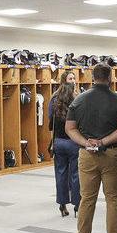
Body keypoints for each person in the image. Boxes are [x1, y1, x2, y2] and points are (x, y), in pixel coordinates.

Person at [65, 64, 117, 233]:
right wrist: (102, 142)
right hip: (113, 155)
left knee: (87, 199)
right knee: (114, 200)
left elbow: (70, 128)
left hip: (87, 156)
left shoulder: (78, 101)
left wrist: (87, 143)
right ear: (109, 78)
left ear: (92, 77)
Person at [50, 77, 80, 217]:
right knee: (75, 174)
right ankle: (77, 204)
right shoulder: (76, 104)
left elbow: (50, 125)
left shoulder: (55, 103)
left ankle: (62, 204)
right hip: (74, 143)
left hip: (59, 142)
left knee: (61, 174)